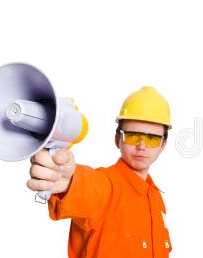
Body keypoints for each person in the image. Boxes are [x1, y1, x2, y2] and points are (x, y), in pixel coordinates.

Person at [27, 86, 174, 258]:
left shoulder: (156, 197)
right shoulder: (106, 187)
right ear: (118, 139)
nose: (141, 146)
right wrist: (67, 180)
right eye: (133, 136)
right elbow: (87, 186)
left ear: (163, 145)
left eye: (152, 139)